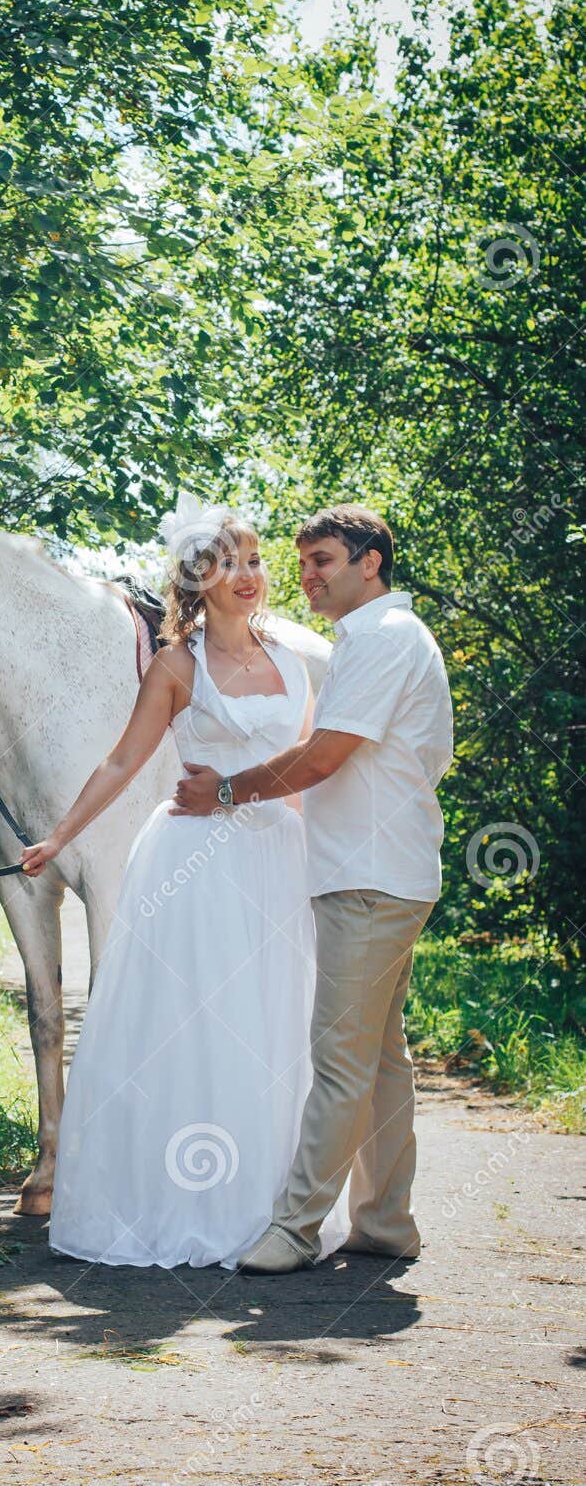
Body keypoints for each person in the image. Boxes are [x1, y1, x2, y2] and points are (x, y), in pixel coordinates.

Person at [20, 496, 349, 1269]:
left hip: (281, 859)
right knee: (196, 1026)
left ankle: (277, 1209)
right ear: (197, 577)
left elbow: (305, 768)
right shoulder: (176, 665)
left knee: (273, 1025)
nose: (248, 576)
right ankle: (181, 1202)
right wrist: (59, 835)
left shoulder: (292, 659)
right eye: (228, 562)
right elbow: (122, 760)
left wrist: (333, 856)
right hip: (196, 865)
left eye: (255, 560)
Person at [173, 504, 454, 1274]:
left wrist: (225, 791)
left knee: (337, 1062)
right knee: (379, 1060)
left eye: (323, 560)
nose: (306, 576)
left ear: (370, 563)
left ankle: (295, 1230)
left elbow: (324, 756)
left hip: (370, 876)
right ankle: (385, 1224)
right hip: (373, 870)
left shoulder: (384, 640)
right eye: (301, 563)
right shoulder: (368, 640)